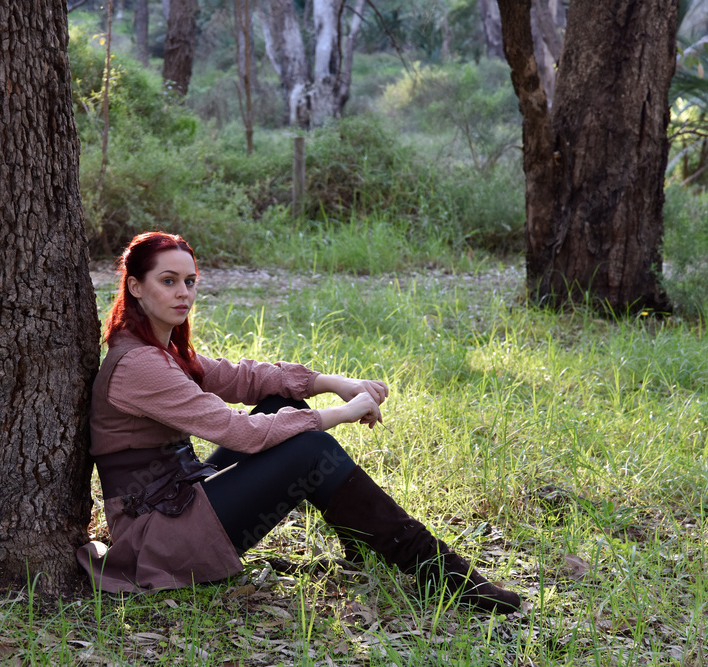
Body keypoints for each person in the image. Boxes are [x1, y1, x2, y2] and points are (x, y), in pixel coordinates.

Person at [77, 231, 521, 614]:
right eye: (168, 281)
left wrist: (335, 383)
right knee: (311, 449)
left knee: (276, 402)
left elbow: (243, 378)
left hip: (177, 500)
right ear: (135, 287)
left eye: (190, 281)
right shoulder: (139, 364)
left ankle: (366, 542)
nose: (183, 293)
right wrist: (340, 414)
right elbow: (238, 432)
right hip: (158, 538)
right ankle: (439, 571)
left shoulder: (161, 351)